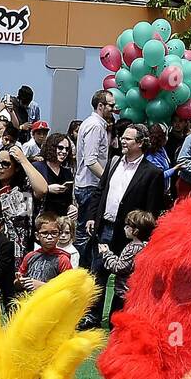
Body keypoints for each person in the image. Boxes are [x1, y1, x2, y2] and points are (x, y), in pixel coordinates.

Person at [88, 123, 165, 327]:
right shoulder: (113, 162)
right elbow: (100, 191)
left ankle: (117, 319)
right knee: (98, 274)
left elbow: (151, 211)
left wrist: (143, 238)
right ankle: (92, 317)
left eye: (128, 138)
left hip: (130, 233)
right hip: (104, 226)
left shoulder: (152, 173)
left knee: (124, 280)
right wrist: (91, 217)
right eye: (122, 137)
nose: (122, 140)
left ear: (140, 143)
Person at [74, 90, 115, 264]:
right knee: (85, 234)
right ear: (100, 106)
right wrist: (107, 180)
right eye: (111, 106)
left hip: (88, 185)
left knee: (88, 233)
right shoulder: (95, 126)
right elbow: (91, 161)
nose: (114, 109)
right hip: (90, 186)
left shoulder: (95, 124)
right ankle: (81, 270)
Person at [98, 208, 155, 320]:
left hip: (124, 293)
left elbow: (119, 267)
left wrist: (106, 254)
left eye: (128, 226)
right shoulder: (143, 246)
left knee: (116, 320)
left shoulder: (134, 249)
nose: (124, 228)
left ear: (136, 231)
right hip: (131, 293)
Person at [15, 211, 71, 292]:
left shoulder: (62, 259)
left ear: (59, 235)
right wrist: (19, 281)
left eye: (54, 233)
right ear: (37, 236)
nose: (49, 237)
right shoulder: (30, 256)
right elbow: (18, 281)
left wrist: (42, 286)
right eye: (45, 233)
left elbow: (68, 288)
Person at [34, 132, 74, 217]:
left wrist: (72, 208)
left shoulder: (67, 172)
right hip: (42, 218)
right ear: (51, 147)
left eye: (67, 149)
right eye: (60, 148)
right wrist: (47, 189)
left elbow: (68, 200)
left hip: (61, 219)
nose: (64, 152)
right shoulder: (38, 167)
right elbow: (28, 194)